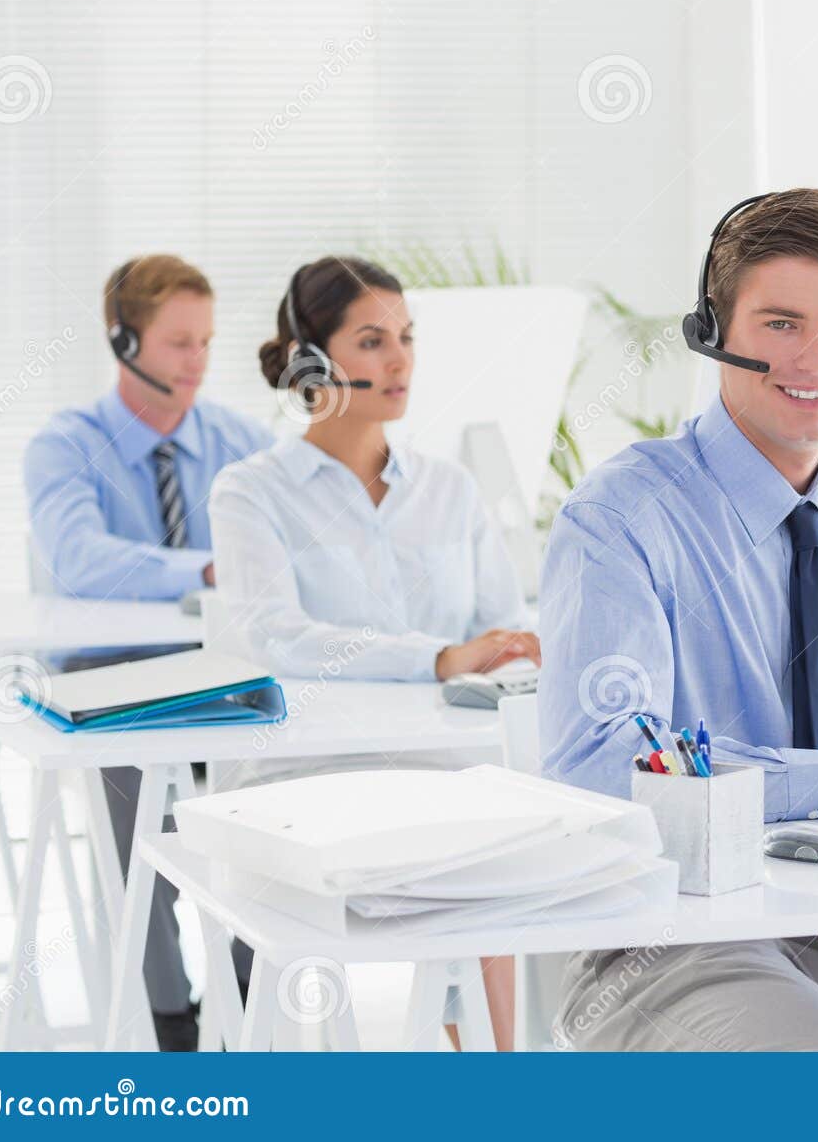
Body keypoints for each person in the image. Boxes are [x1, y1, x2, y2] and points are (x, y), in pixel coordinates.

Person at [539, 189, 818, 1051]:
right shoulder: (621, 516)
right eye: (780, 323)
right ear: (712, 329)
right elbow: (599, 768)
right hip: (683, 943)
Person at [208, 255, 540, 1049]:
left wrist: (508, 656)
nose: (400, 361)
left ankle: (514, 1083)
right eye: (372, 341)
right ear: (314, 362)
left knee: (521, 860)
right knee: (477, 858)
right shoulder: (251, 491)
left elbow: (500, 622)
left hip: (443, 769)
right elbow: (277, 634)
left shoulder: (450, 487)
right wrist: (439, 658)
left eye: (406, 337)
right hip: (313, 779)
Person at [23, 254, 272, 1050]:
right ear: (124, 341)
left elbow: (289, 534)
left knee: (275, 803)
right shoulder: (66, 445)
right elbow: (78, 558)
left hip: (226, 668)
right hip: (112, 675)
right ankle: (174, 1025)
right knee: (145, 841)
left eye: (204, 342)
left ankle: (246, 988)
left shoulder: (237, 438)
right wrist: (205, 567)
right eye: (177, 344)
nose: (197, 362)